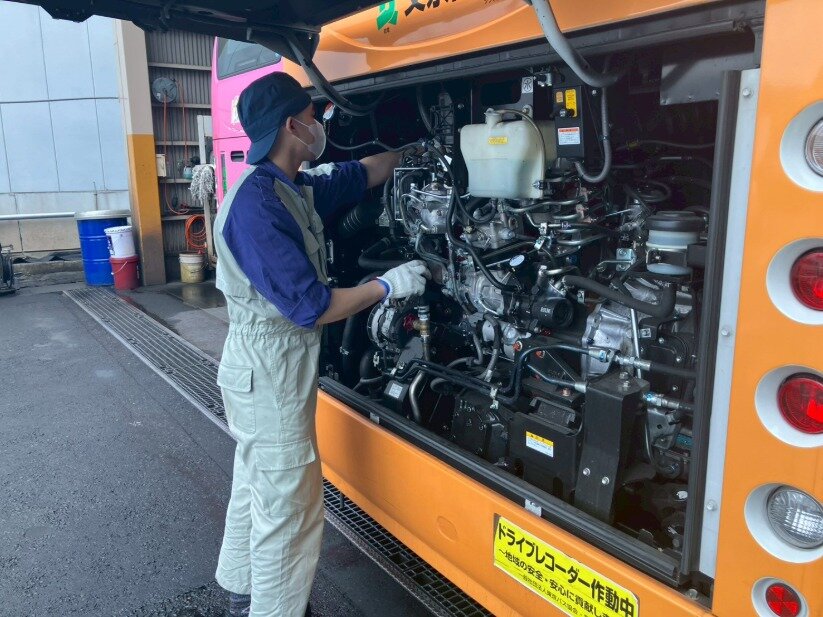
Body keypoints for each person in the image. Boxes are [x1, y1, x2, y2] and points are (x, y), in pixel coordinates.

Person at [212, 72, 429, 617]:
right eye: (313, 117)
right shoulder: (257, 208)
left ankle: (242, 590)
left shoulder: (289, 186)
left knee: (257, 481)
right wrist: (386, 286)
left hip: (267, 366)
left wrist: (420, 153)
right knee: (290, 504)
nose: (320, 125)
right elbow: (313, 306)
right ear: (292, 126)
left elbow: (362, 173)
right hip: (269, 369)